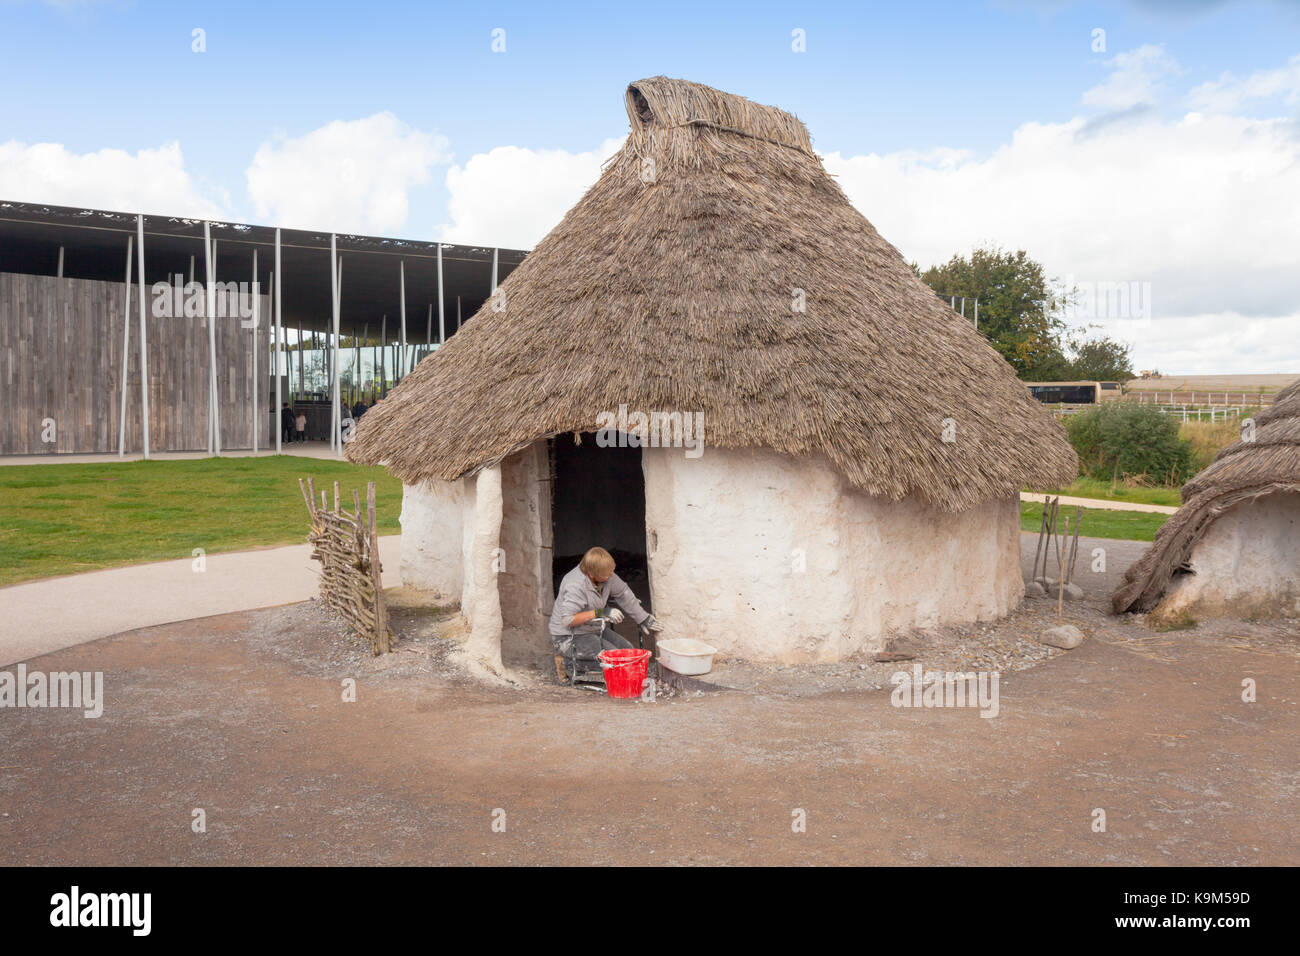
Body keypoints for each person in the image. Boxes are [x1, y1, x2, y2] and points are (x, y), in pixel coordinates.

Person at [549, 546, 663, 682]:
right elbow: (568, 620)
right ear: (592, 575)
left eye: (611, 572)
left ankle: (579, 661)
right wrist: (600, 612)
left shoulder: (606, 574)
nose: (611, 576)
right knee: (614, 661)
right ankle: (567, 663)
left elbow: (623, 593)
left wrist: (642, 617)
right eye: (607, 575)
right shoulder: (575, 585)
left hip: (593, 628)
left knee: (628, 652)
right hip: (568, 635)